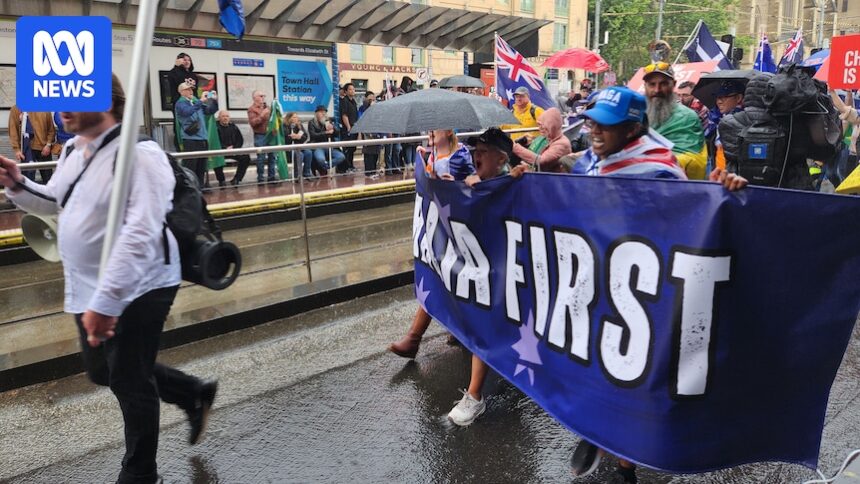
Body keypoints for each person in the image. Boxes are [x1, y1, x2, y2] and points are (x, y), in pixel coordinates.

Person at [0, 74, 217, 484]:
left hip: (142, 283)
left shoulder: (141, 156)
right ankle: (192, 393)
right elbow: (54, 200)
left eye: (72, 97)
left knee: (129, 379)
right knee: (103, 371)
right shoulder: (72, 148)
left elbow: (142, 232)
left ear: (105, 101)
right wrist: (17, 183)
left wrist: (107, 302)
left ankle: (140, 474)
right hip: (87, 285)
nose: (60, 107)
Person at [564, 86, 746, 484]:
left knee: (633, 371)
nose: (595, 131)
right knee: (594, 360)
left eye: (606, 126)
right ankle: (598, 430)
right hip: (596, 279)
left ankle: (626, 464)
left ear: (633, 129)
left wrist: (721, 192)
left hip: (641, 288)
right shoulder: (594, 160)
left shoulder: (658, 171)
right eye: (593, 122)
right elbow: (571, 191)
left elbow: (690, 216)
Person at [446, 128, 528, 426]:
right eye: (473, 151)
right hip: (488, 269)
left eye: (482, 151)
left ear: (502, 158)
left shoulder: (518, 182)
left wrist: (522, 180)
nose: (475, 156)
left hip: (514, 271)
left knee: (493, 324)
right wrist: (458, 189)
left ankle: (476, 396)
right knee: (486, 323)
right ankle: (479, 389)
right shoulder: (477, 183)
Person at [388, 129, 474, 358]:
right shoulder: (432, 153)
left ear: (447, 132)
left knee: (450, 277)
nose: (429, 134)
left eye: (433, 130)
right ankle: (417, 338)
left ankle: (418, 338)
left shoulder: (460, 155)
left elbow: (474, 183)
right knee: (440, 275)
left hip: (458, 226)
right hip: (438, 226)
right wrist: (425, 163)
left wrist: (456, 184)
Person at [642, 62, 707, 179]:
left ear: (674, 84)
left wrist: (649, 163)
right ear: (645, 86)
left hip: (672, 186)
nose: (657, 90)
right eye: (652, 84)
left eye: (663, 84)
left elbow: (693, 158)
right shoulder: (634, 113)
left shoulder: (687, 117)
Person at [174, 82, 219, 187]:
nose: (191, 91)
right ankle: (191, 189)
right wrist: (200, 101)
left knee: (201, 167)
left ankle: (200, 189)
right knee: (190, 167)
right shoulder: (180, 103)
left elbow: (210, 111)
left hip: (202, 139)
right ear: (181, 92)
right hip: (190, 140)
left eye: (191, 89)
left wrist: (214, 100)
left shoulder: (195, 102)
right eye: (187, 89)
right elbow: (186, 112)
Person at [511, 107, 572, 172]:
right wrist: (526, 142)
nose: (539, 128)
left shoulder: (562, 144)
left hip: (552, 179)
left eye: (542, 125)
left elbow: (540, 160)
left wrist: (514, 146)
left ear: (552, 126)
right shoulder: (548, 138)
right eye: (539, 125)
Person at [8, 106, 55, 183]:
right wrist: (17, 149)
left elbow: (51, 129)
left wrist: (48, 145)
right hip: (26, 149)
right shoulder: (16, 109)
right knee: (27, 180)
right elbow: (13, 130)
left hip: (44, 149)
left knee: (48, 179)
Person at [215, 111, 252, 186]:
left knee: (245, 157)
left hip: (233, 150)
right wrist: (225, 148)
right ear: (219, 118)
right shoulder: (215, 128)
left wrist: (234, 148)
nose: (225, 118)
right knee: (216, 159)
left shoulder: (233, 127)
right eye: (223, 116)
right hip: (220, 151)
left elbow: (240, 140)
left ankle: (237, 179)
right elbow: (215, 142)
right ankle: (221, 180)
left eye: (227, 116)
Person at [247, 90, 277, 183]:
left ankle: (272, 177)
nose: (263, 97)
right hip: (260, 135)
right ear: (254, 97)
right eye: (260, 96)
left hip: (270, 135)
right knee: (261, 158)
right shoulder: (251, 109)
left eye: (264, 96)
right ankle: (260, 178)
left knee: (272, 156)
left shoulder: (268, 108)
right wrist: (262, 115)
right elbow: (253, 123)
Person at [307, 105, 345, 173]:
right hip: (318, 146)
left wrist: (333, 128)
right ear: (316, 113)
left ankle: (326, 166)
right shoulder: (312, 122)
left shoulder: (328, 121)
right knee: (320, 159)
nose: (323, 114)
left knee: (341, 157)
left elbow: (337, 133)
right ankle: (323, 167)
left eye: (325, 112)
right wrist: (325, 132)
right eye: (321, 112)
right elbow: (313, 135)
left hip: (330, 146)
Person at [283, 111, 312, 180]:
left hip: (299, 146)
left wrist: (299, 137)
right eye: (294, 117)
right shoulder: (284, 126)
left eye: (296, 117)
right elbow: (285, 138)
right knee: (300, 155)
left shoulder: (299, 125)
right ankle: (297, 175)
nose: (296, 119)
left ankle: (307, 174)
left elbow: (305, 136)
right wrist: (291, 137)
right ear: (289, 118)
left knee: (308, 153)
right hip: (289, 148)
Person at [340, 83, 359, 174]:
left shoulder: (354, 102)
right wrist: (348, 127)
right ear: (346, 91)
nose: (352, 91)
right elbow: (344, 115)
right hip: (348, 129)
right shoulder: (344, 101)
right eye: (350, 89)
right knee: (347, 149)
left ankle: (351, 165)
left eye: (353, 89)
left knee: (352, 149)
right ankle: (345, 167)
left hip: (354, 128)